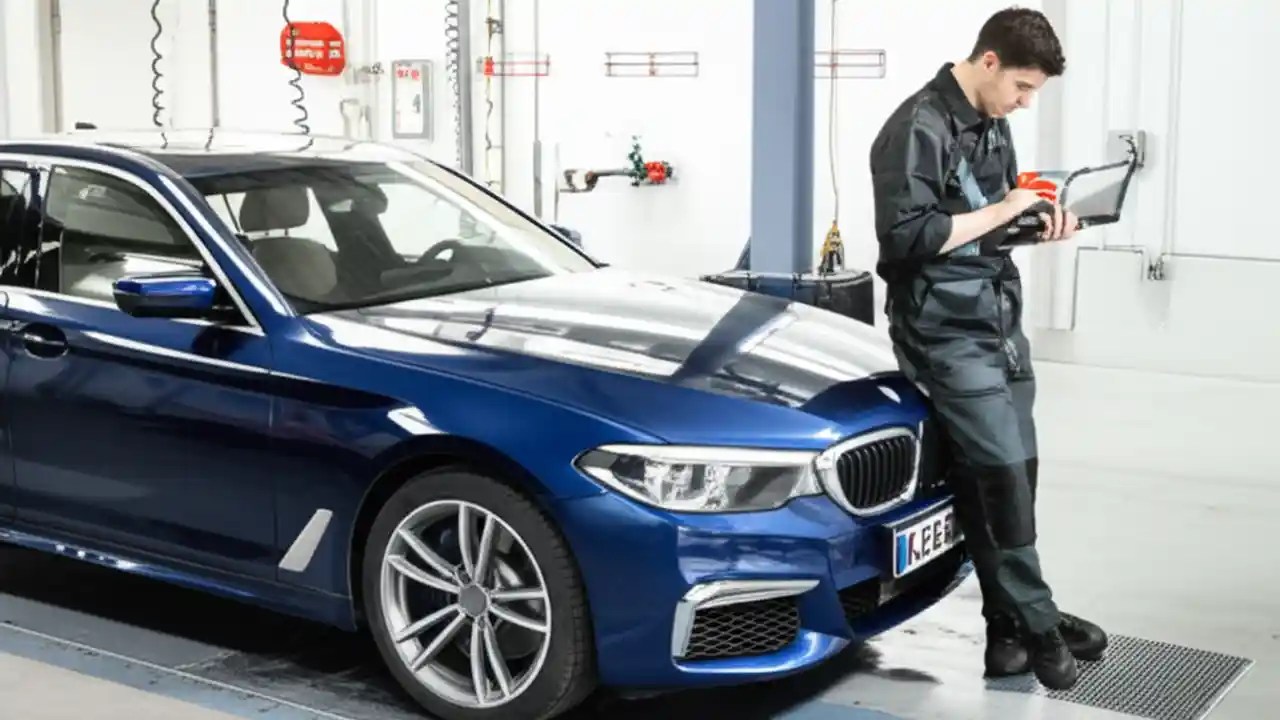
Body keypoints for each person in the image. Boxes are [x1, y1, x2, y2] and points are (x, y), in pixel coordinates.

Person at [868, 8, 1107, 690]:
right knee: (999, 476)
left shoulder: (991, 121)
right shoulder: (916, 128)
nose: (1026, 105)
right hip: (943, 329)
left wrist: (1038, 220)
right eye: (1023, 88)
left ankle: (1006, 634)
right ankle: (1036, 619)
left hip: (997, 321)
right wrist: (1005, 209)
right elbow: (907, 240)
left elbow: (987, 224)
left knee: (1012, 474)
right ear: (991, 62)